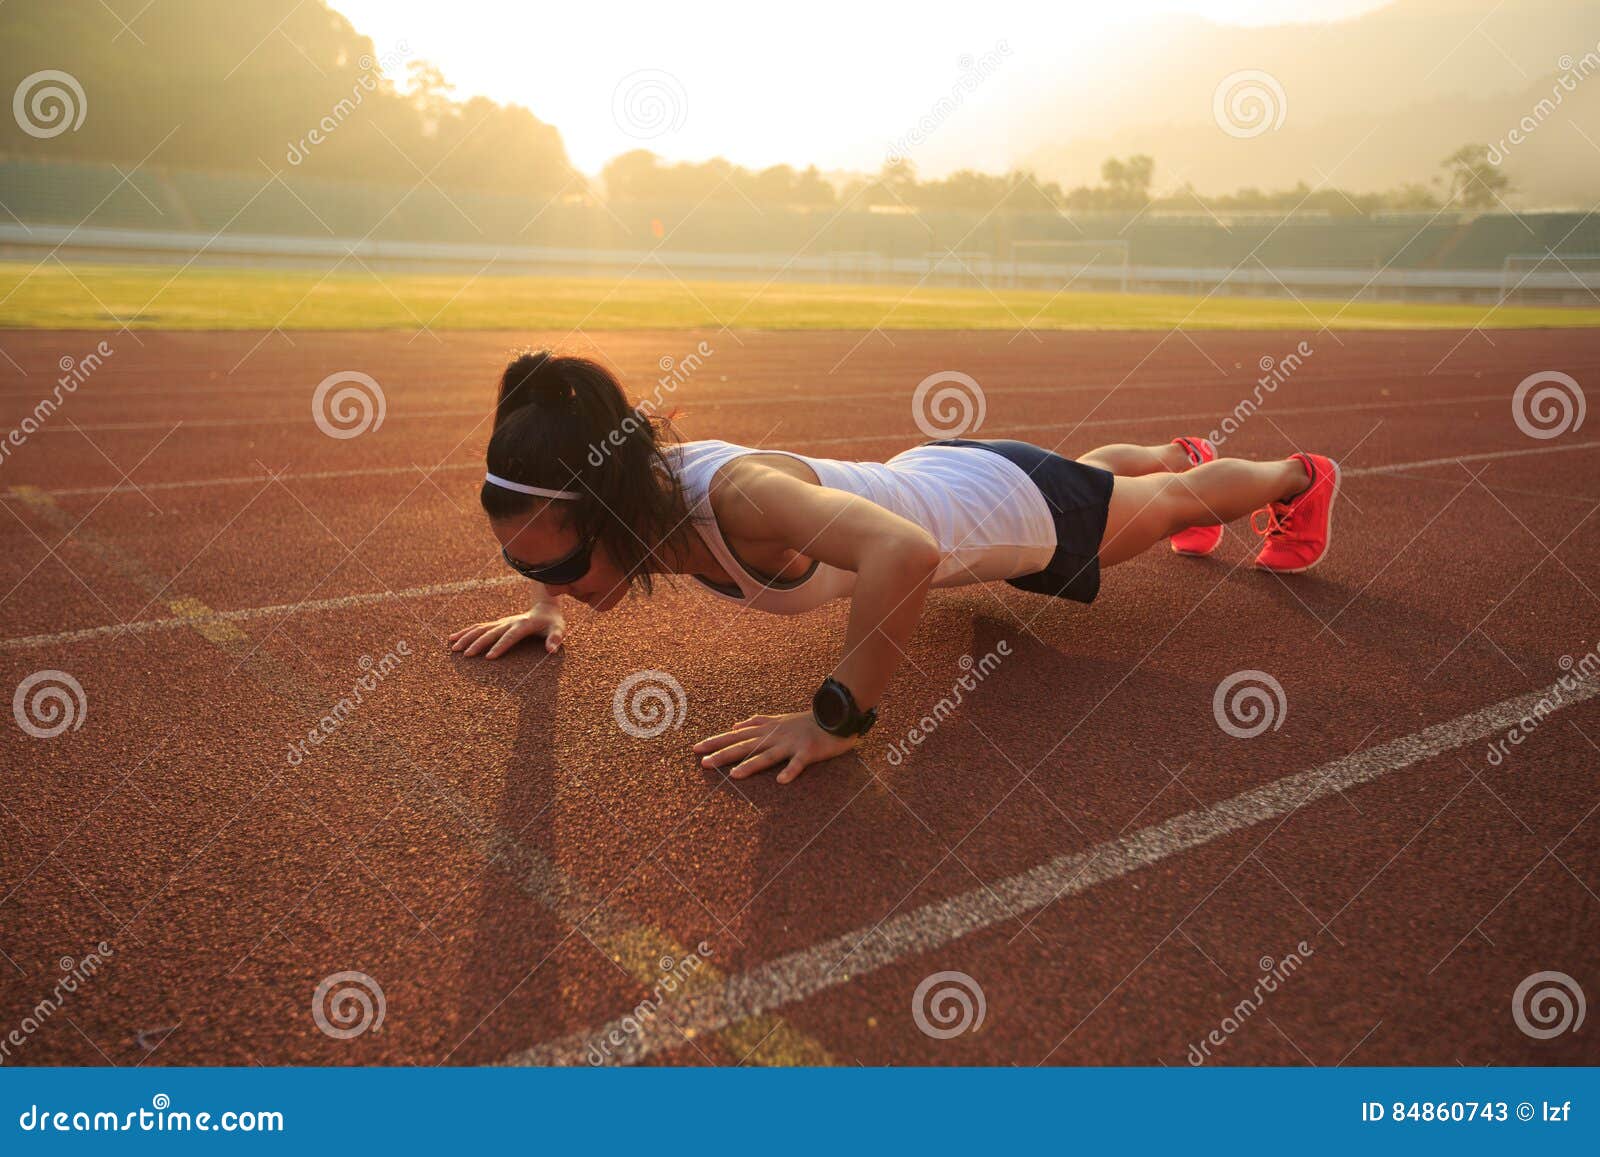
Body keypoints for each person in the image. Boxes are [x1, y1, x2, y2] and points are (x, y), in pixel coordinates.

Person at [449, 351, 1338, 784]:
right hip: (957, 473)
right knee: (1098, 483)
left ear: (604, 513)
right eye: (528, 562)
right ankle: (1162, 452)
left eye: (563, 562)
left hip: (1004, 509)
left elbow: (903, 552)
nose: (552, 573)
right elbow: (548, 516)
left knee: (1173, 505)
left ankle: (1295, 478)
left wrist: (836, 716)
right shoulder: (613, 489)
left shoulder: (739, 502)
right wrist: (547, 607)